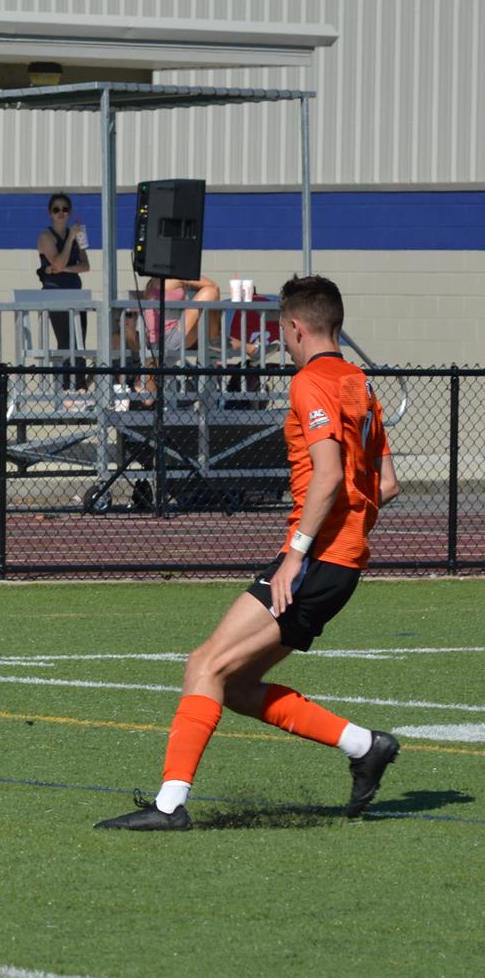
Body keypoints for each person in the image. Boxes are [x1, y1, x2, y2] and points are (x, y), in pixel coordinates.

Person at [96, 275, 401, 830]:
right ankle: (363, 745)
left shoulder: (311, 382)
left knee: (203, 665)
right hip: (337, 563)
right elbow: (386, 484)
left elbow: (330, 476)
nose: (283, 340)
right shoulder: (360, 383)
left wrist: (297, 554)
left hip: (315, 562)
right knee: (232, 684)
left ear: (295, 327)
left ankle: (170, 807)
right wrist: (348, 533)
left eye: (283, 330)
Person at [35, 192, 90, 389]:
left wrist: (64, 269)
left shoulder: (78, 233)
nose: (61, 213)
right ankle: (66, 388)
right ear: (50, 212)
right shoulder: (45, 236)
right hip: (55, 293)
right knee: (66, 341)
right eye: (56, 209)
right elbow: (57, 261)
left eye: (65, 209)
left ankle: (80, 387)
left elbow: (85, 265)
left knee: (79, 342)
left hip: (75, 292)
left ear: (70, 212)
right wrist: (69, 241)